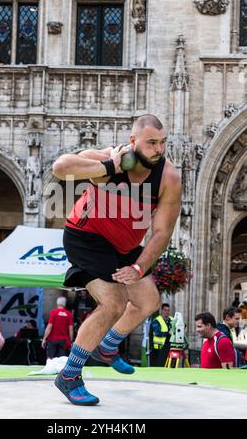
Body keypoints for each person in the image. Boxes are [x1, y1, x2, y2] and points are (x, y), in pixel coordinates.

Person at [52, 114, 182, 405]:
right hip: (86, 238)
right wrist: (110, 164)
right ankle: (69, 374)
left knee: (148, 301)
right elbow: (60, 167)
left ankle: (107, 347)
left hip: (125, 246)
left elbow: (162, 232)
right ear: (134, 141)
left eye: (162, 143)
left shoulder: (168, 178)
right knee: (113, 303)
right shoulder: (108, 160)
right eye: (151, 143)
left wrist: (139, 267)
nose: (158, 149)